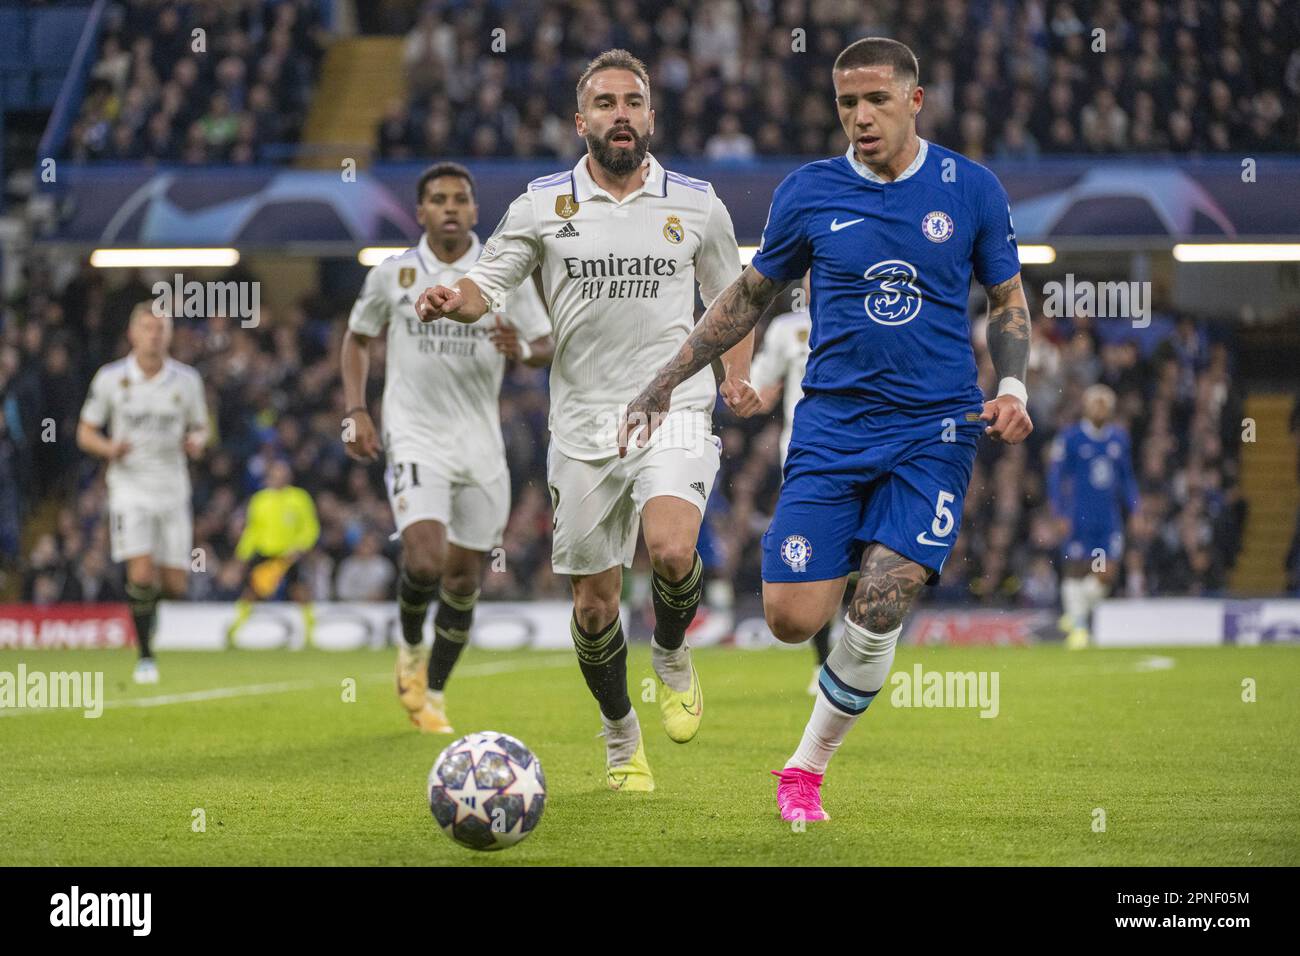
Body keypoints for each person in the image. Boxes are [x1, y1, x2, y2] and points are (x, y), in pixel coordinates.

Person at [622, 37, 1032, 821]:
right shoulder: (809, 192)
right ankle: (834, 591)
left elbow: (1009, 300)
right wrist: (664, 381)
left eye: (877, 99)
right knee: (790, 619)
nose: (861, 116)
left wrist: (1010, 384)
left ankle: (803, 772)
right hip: (832, 429)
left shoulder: (970, 188)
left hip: (935, 426)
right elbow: (746, 297)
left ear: (915, 100)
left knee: (882, 599)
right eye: (847, 103)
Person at [416, 49, 761, 790]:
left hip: (673, 403)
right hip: (581, 426)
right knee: (595, 604)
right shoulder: (542, 204)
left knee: (671, 550)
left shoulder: (697, 202)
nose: (620, 114)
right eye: (604, 103)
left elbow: (735, 299)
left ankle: (671, 649)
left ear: (651, 115)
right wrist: (454, 297)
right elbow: (488, 282)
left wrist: (736, 376)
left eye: (633, 101)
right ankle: (619, 733)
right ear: (582, 122)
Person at [342, 161, 554, 733]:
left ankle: (432, 689)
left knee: (463, 578)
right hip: (414, 433)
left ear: (475, 210)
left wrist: (525, 351)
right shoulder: (394, 274)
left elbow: (547, 341)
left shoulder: (500, 273)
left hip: (481, 443)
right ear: (421, 212)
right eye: (439, 199)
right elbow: (358, 338)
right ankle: (410, 646)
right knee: (425, 558)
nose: (451, 207)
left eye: (460, 198)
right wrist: (358, 409)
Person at [77, 303, 209, 683]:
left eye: (161, 328)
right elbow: (85, 432)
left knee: (175, 583)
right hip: (129, 487)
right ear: (133, 334)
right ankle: (146, 655)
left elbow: (201, 427)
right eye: (148, 328)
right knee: (141, 572)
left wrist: (197, 441)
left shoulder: (186, 381)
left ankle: (148, 619)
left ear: (169, 334)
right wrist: (109, 449)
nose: (155, 335)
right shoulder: (111, 378)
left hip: (172, 488)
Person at [749, 275, 836, 693]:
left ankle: (860, 650)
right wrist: (753, 392)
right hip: (803, 457)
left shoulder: (874, 316)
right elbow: (757, 391)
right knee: (819, 558)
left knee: (859, 556)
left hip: (867, 449)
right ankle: (824, 664)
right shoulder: (788, 329)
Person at [1048, 384, 1139, 648]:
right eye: (1095, 402)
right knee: (1076, 570)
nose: (1100, 408)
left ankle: (1075, 613)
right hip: (1078, 517)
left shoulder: (1119, 438)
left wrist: (1135, 509)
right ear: (1086, 407)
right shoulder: (1070, 437)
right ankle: (1079, 628)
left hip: (1108, 518)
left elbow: (1127, 478)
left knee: (1106, 572)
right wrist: (1059, 512)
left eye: (1105, 403)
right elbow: (1056, 477)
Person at [227, 459, 320, 646]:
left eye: (282, 473)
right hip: (265, 553)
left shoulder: (299, 498)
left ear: (289, 476)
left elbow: (310, 527)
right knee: (251, 592)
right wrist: (241, 556)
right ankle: (235, 629)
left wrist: (301, 547)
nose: (279, 477)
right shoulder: (259, 500)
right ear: (269, 476)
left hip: (290, 555)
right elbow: (252, 531)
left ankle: (310, 633)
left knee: (299, 591)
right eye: (275, 473)